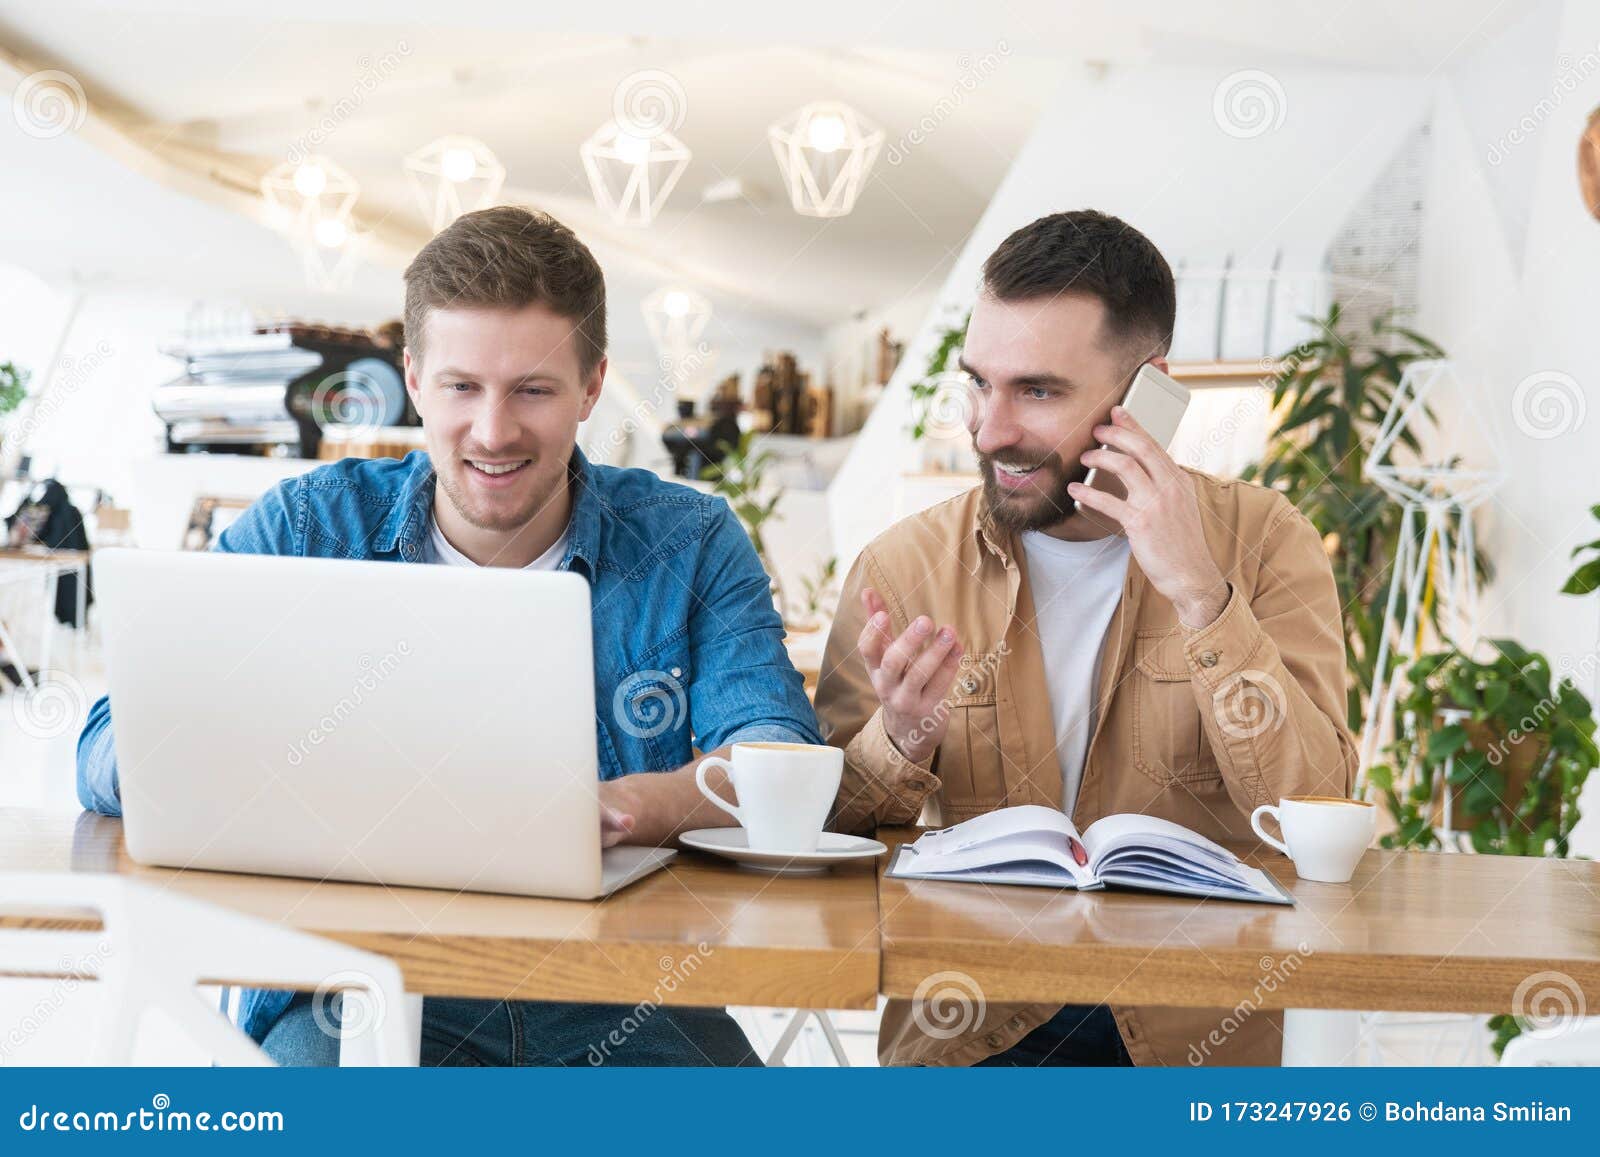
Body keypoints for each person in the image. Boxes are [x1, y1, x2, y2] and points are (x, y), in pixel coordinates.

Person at [76, 206, 820, 1066]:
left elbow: (776, 754)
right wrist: (249, 762)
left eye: (533, 389)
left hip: (623, 992)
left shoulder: (688, 538)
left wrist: (639, 805)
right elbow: (106, 745)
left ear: (591, 386)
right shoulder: (309, 525)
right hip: (350, 989)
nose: (495, 431)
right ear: (415, 381)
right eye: (462, 386)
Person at [815, 209, 1357, 1067]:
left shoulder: (1264, 542)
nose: (991, 430)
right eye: (980, 384)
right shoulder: (903, 567)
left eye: (1037, 391)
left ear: (1151, 392)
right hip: (972, 1036)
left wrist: (1202, 596)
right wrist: (899, 742)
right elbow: (819, 839)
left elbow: (1317, 814)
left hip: (1193, 1032)